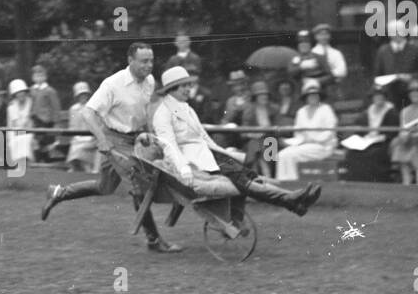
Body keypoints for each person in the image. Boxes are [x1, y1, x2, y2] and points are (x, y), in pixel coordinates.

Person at [39, 42, 182, 253]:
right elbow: (87, 113)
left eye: (151, 61)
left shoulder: (149, 81)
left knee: (105, 187)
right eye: (144, 61)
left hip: (136, 139)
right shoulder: (112, 84)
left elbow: (145, 110)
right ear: (130, 61)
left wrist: (149, 133)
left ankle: (59, 193)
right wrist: (102, 140)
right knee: (137, 185)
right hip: (114, 140)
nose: (149, 65)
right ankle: (154, 240)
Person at [150, 66, 320, 215]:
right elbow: (169, 146)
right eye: (184, 86)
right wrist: (184, 169)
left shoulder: (186, 108)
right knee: (245, 179)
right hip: (192, 162)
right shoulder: (163, 113)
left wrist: (222, 152)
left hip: (212, 154)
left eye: (189, 85)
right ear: (172, 88)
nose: (189, 89)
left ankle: (294, 201)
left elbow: (204, 137)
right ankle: (291, 198)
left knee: (248, 175)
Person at [274, 79, 339, 182]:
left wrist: (313, 139)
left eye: (315, 95)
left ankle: (293, 184)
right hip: (304, 146)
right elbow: (298, 134)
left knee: (290, 155)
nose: (313, 97)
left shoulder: (326, 109)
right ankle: (283, 183)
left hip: (323, 146)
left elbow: (329, 132)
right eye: (310, 95)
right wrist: (290, 142)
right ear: (306, 97)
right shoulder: (301, 111)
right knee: (281, 155)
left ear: (319, 96)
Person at [343, 84, 398, 183]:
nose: (378, 98)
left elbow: (393, 132)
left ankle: (377, 182)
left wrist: (380, 137)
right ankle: (355, 181)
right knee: (352, 153)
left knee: (373, 154)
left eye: (380, 96)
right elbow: (359, 129)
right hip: (366, 141)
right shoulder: (367, 112)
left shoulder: (391, 112)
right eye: (376, 96)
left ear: (384, 97)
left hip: (383, 143)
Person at [372, 22, 418, 111]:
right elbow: (377, 76)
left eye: (399, 31)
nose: (396, 34)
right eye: (393, 32)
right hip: (390, 97)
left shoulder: (415, 50)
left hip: (411, 96)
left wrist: (410, 77)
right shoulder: (383, 51)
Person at [64, 82, 99, 173]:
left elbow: (97, 125)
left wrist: (92, 136)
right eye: (80, 95)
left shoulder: (93, 107)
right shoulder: (73, 109)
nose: (83, 97)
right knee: (75, 145)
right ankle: (75, 168)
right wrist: (75, 136)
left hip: (91, 138)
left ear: (87, 95)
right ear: (77, 96)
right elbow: (72, 126)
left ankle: (88, 170)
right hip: (77, 138)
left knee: (82, 147)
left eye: (84, 94)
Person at [4, 78, 35, 168]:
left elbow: (32, 122)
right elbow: (10, 125)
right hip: (15, 134)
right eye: (18, 92)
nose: (21, 94)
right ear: (14, 94)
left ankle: (26, 166)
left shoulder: (32, 102)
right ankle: (20, 167)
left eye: (22, 92)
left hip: (30, 132)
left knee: (25, 139)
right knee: (15, 141)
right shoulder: (11, 106)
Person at [311, 24, 347, 90]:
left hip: (334, 87)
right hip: (316, 87)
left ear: (329, 36)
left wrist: (328, 76)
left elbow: (342, 71)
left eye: (326, 34)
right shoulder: (312, 53)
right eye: (321, 35)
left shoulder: (336, 53)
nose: (324, 37)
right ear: (316, 37)